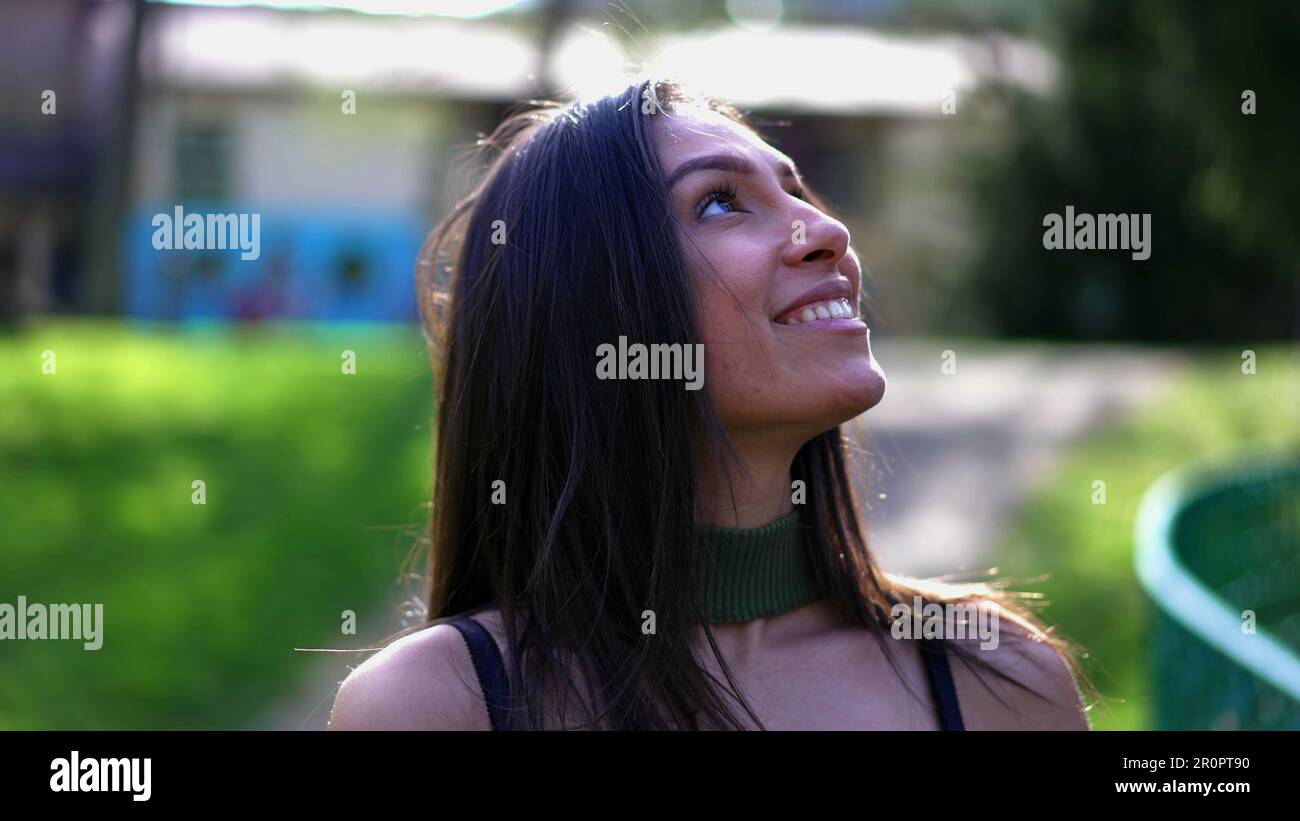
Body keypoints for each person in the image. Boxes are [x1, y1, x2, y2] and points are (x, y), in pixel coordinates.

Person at [329, 79, 1094, 731]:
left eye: (795, 190)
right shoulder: (435, 706)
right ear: (595, 312)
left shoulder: (999, 683)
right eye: (722, 203)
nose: (828, 231)